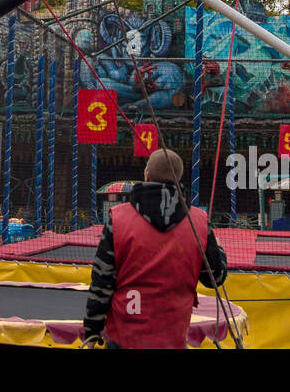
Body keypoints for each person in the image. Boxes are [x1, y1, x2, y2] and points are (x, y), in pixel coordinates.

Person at [82, 148, 228, 349]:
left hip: (125, 335)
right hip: (172, 335)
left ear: (147, 175)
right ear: (179, 177)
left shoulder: (118, 218)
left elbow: (102, 281)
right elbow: (216, 278)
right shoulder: (199, 222)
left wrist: (92, 330)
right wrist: (218, 249)